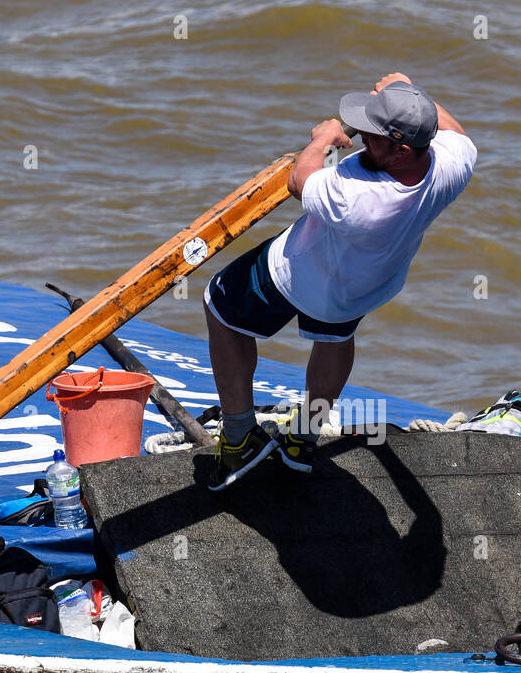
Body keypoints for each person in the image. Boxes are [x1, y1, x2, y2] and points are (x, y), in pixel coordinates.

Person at [202, 73, 476, 490]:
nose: (363, 136)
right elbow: (454, 131)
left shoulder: (361, 198)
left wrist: (323, 138)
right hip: (365, 283)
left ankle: (239, 437)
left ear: (402, 149)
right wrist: (408, 91)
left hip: (299, 273)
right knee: (335, 336)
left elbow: (301, 180)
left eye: (374, 135)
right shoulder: (453, 164)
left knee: (220, 307)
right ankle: (303, 437)